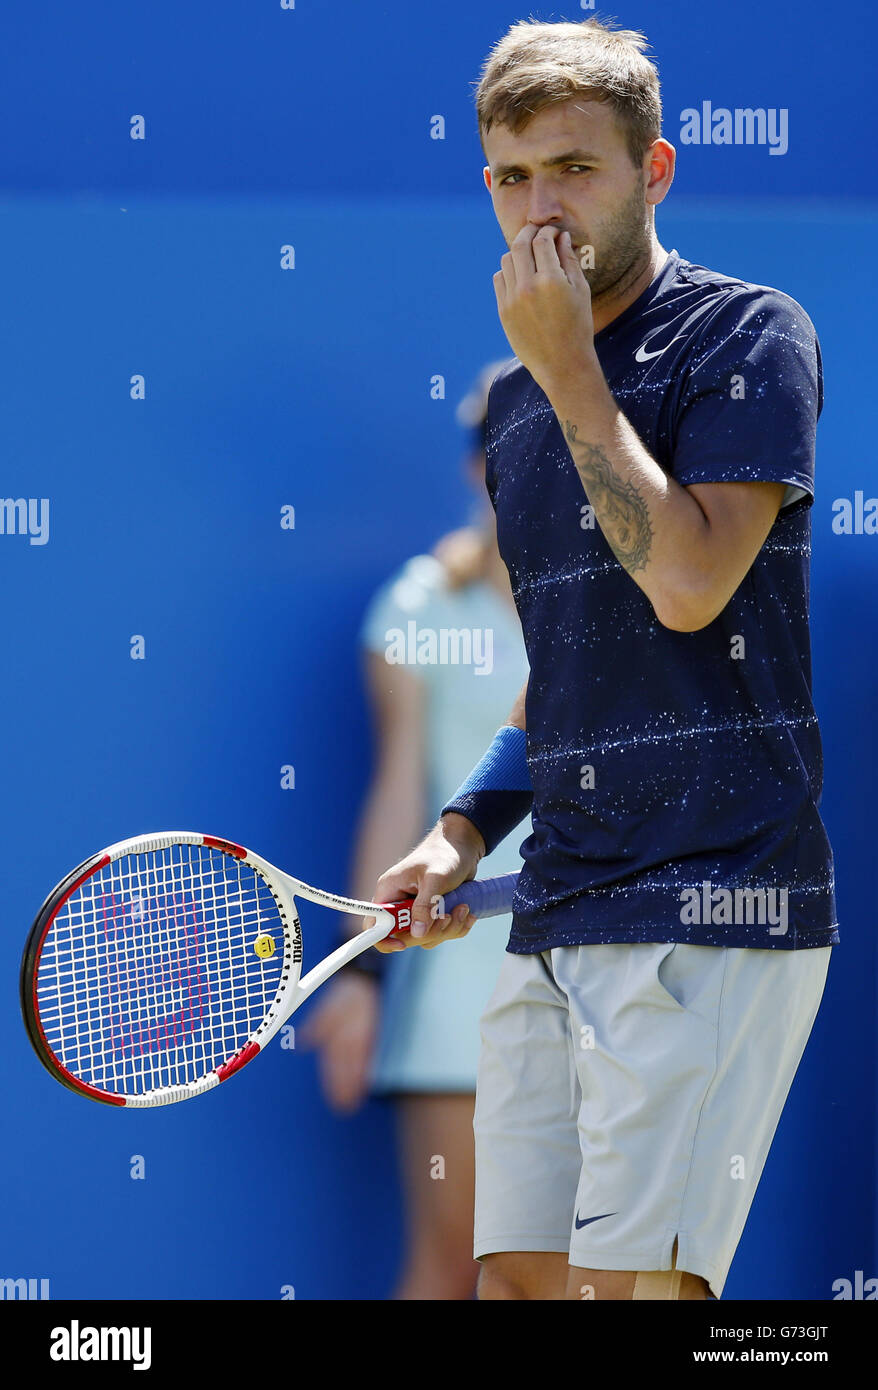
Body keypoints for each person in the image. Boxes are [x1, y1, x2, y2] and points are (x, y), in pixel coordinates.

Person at [363, 17, 838, 1302]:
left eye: (573, 168)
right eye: (513, 178)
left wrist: (570, 368)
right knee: (519, 1286)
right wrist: (461, 831)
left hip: (713, 908)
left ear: (653, 171)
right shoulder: (518, 406)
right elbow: (565, 669)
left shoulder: (748, 335)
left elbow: (685, 586)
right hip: (556, 908)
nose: (541, 209)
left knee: (634, 1304)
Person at [302, 364, 529, 1299]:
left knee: (569, 1279)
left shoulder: (636, 608)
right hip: (453, 986)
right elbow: (399, 796)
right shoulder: (422, 606)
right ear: (477, 468)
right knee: (452, 1270)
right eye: (501, 452)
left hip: (608, 979)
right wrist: (360, 973)